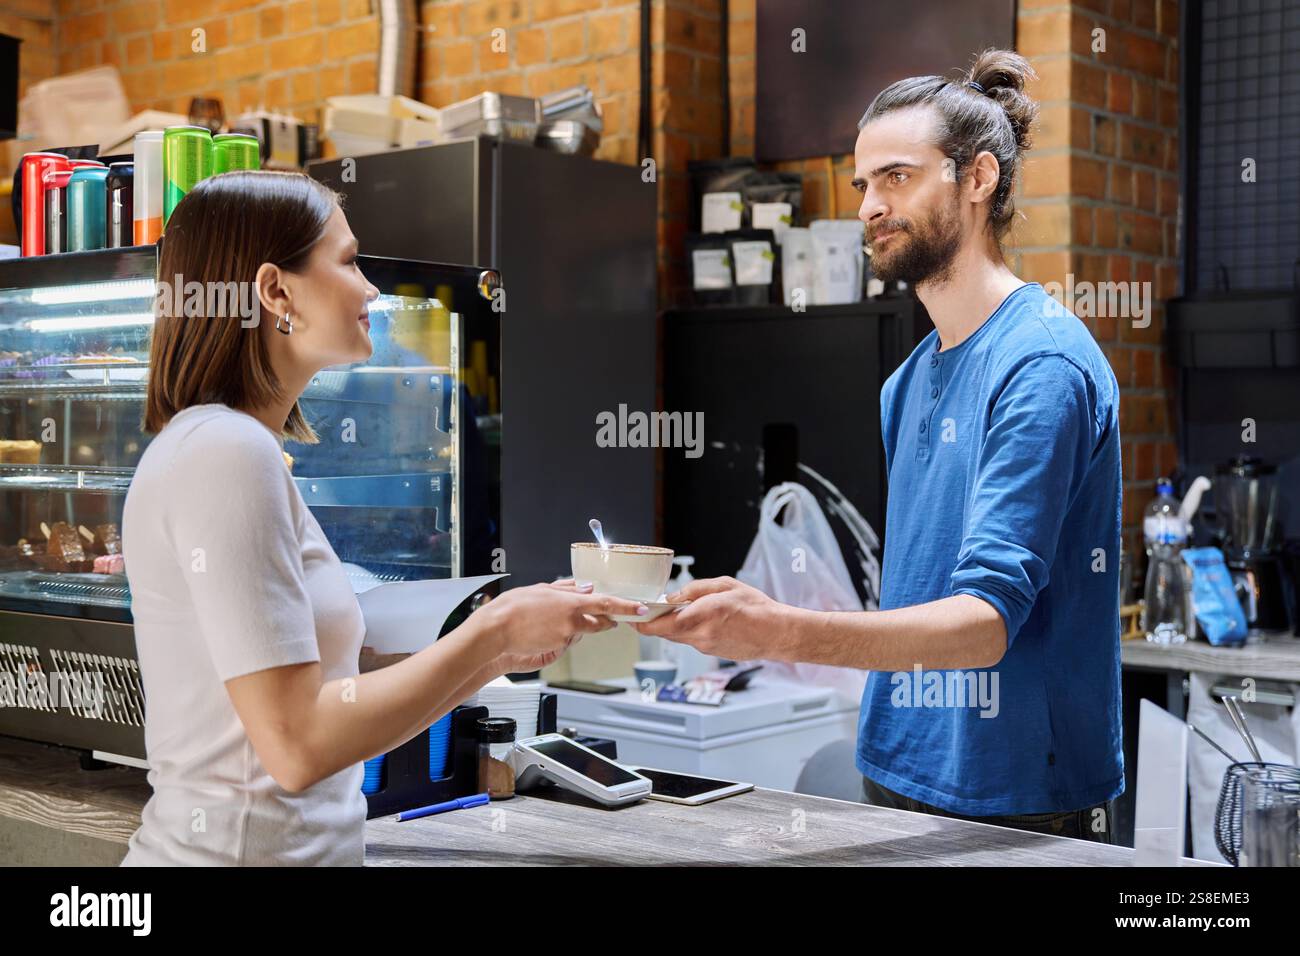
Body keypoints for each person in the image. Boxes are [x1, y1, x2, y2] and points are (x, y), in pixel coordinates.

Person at [638, 49, 1124, 842]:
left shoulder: (1042, 365)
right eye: (862, 183)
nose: (868, 204)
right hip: (895, 758)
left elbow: (984, 622)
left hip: (1017, 791)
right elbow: (922, 585)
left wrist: (776, 628)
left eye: (896, 177)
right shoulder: (906, 383)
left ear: (978, 180)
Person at [121, 170, 647, 865]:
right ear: (276, 292)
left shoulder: (231, 447)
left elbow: (327, 708)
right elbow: (298, 745)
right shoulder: (226, 451)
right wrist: (490, 632)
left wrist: (500, 649)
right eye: (347, 261)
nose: (370, 288)